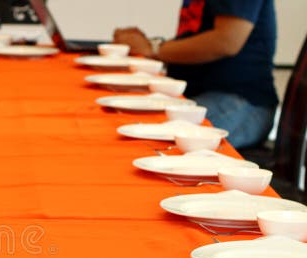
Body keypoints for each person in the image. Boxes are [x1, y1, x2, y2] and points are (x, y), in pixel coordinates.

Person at [113, 0, 278, 150]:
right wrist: (151, 46)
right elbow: (196, 36)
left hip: (241, 101)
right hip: (207, 97)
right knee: (127, 128)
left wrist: (153, 50)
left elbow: (226, 41)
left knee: (146, 145)